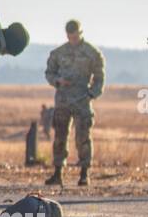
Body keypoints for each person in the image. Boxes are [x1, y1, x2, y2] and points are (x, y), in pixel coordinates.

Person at [43, 20, 105, 186]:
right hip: (62, 100)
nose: (73, 38)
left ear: (81, 32)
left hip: (82, 101)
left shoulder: (92, 53)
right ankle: (58, 172)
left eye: (75, 35)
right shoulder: (58, 53)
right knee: (60, 137)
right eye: (70, 36)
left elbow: (99, 77)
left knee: (83, 137)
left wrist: (91, 94)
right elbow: (49, 73)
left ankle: (84, 173)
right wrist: (58, 81)